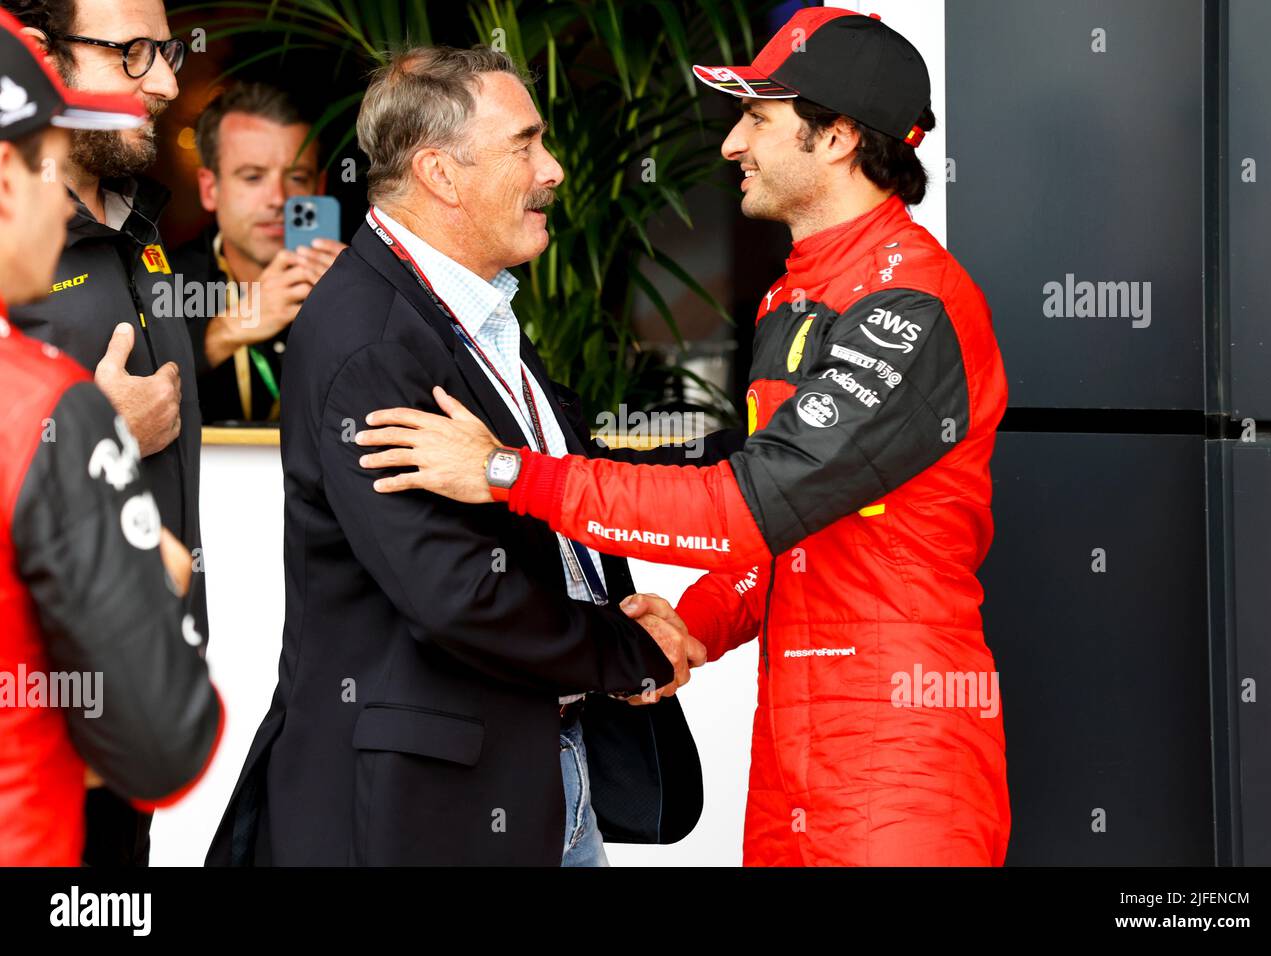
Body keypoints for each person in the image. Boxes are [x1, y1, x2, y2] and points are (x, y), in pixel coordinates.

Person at [355, 9, 1013, 866]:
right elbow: (791, 532)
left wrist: (507, 472)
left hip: (901, 750)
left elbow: (748, 504)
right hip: (794, 747)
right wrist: (690, 627)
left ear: (839, 137)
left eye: (758, 118)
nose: (733, 144)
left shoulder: (912, 305)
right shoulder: (792, 300)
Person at [207, 45, 721, 867]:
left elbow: (563, 481)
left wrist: (764, 460)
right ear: (441, 174)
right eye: (526, 144)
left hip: (540, 773)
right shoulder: (370, 337)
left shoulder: (462, 310)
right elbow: (455, 594)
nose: (551, 168)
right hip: (431, 809)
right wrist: (624, 652)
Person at [0, 7, 221, 866]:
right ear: (43, 60)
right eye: (130, 55)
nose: (165, 82)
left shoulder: (143, 229)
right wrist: (93, 440)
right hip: (43, 751)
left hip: (130, 716)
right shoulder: (21, 254)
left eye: (164, 52)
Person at [172, 81, 346, 424]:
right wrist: (228, 330)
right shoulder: (163, 282)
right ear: (210, 189)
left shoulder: (356, 283)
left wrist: (360, 308)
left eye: (297, 177)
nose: (278, 199)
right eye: (252, 177)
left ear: (319, 188)